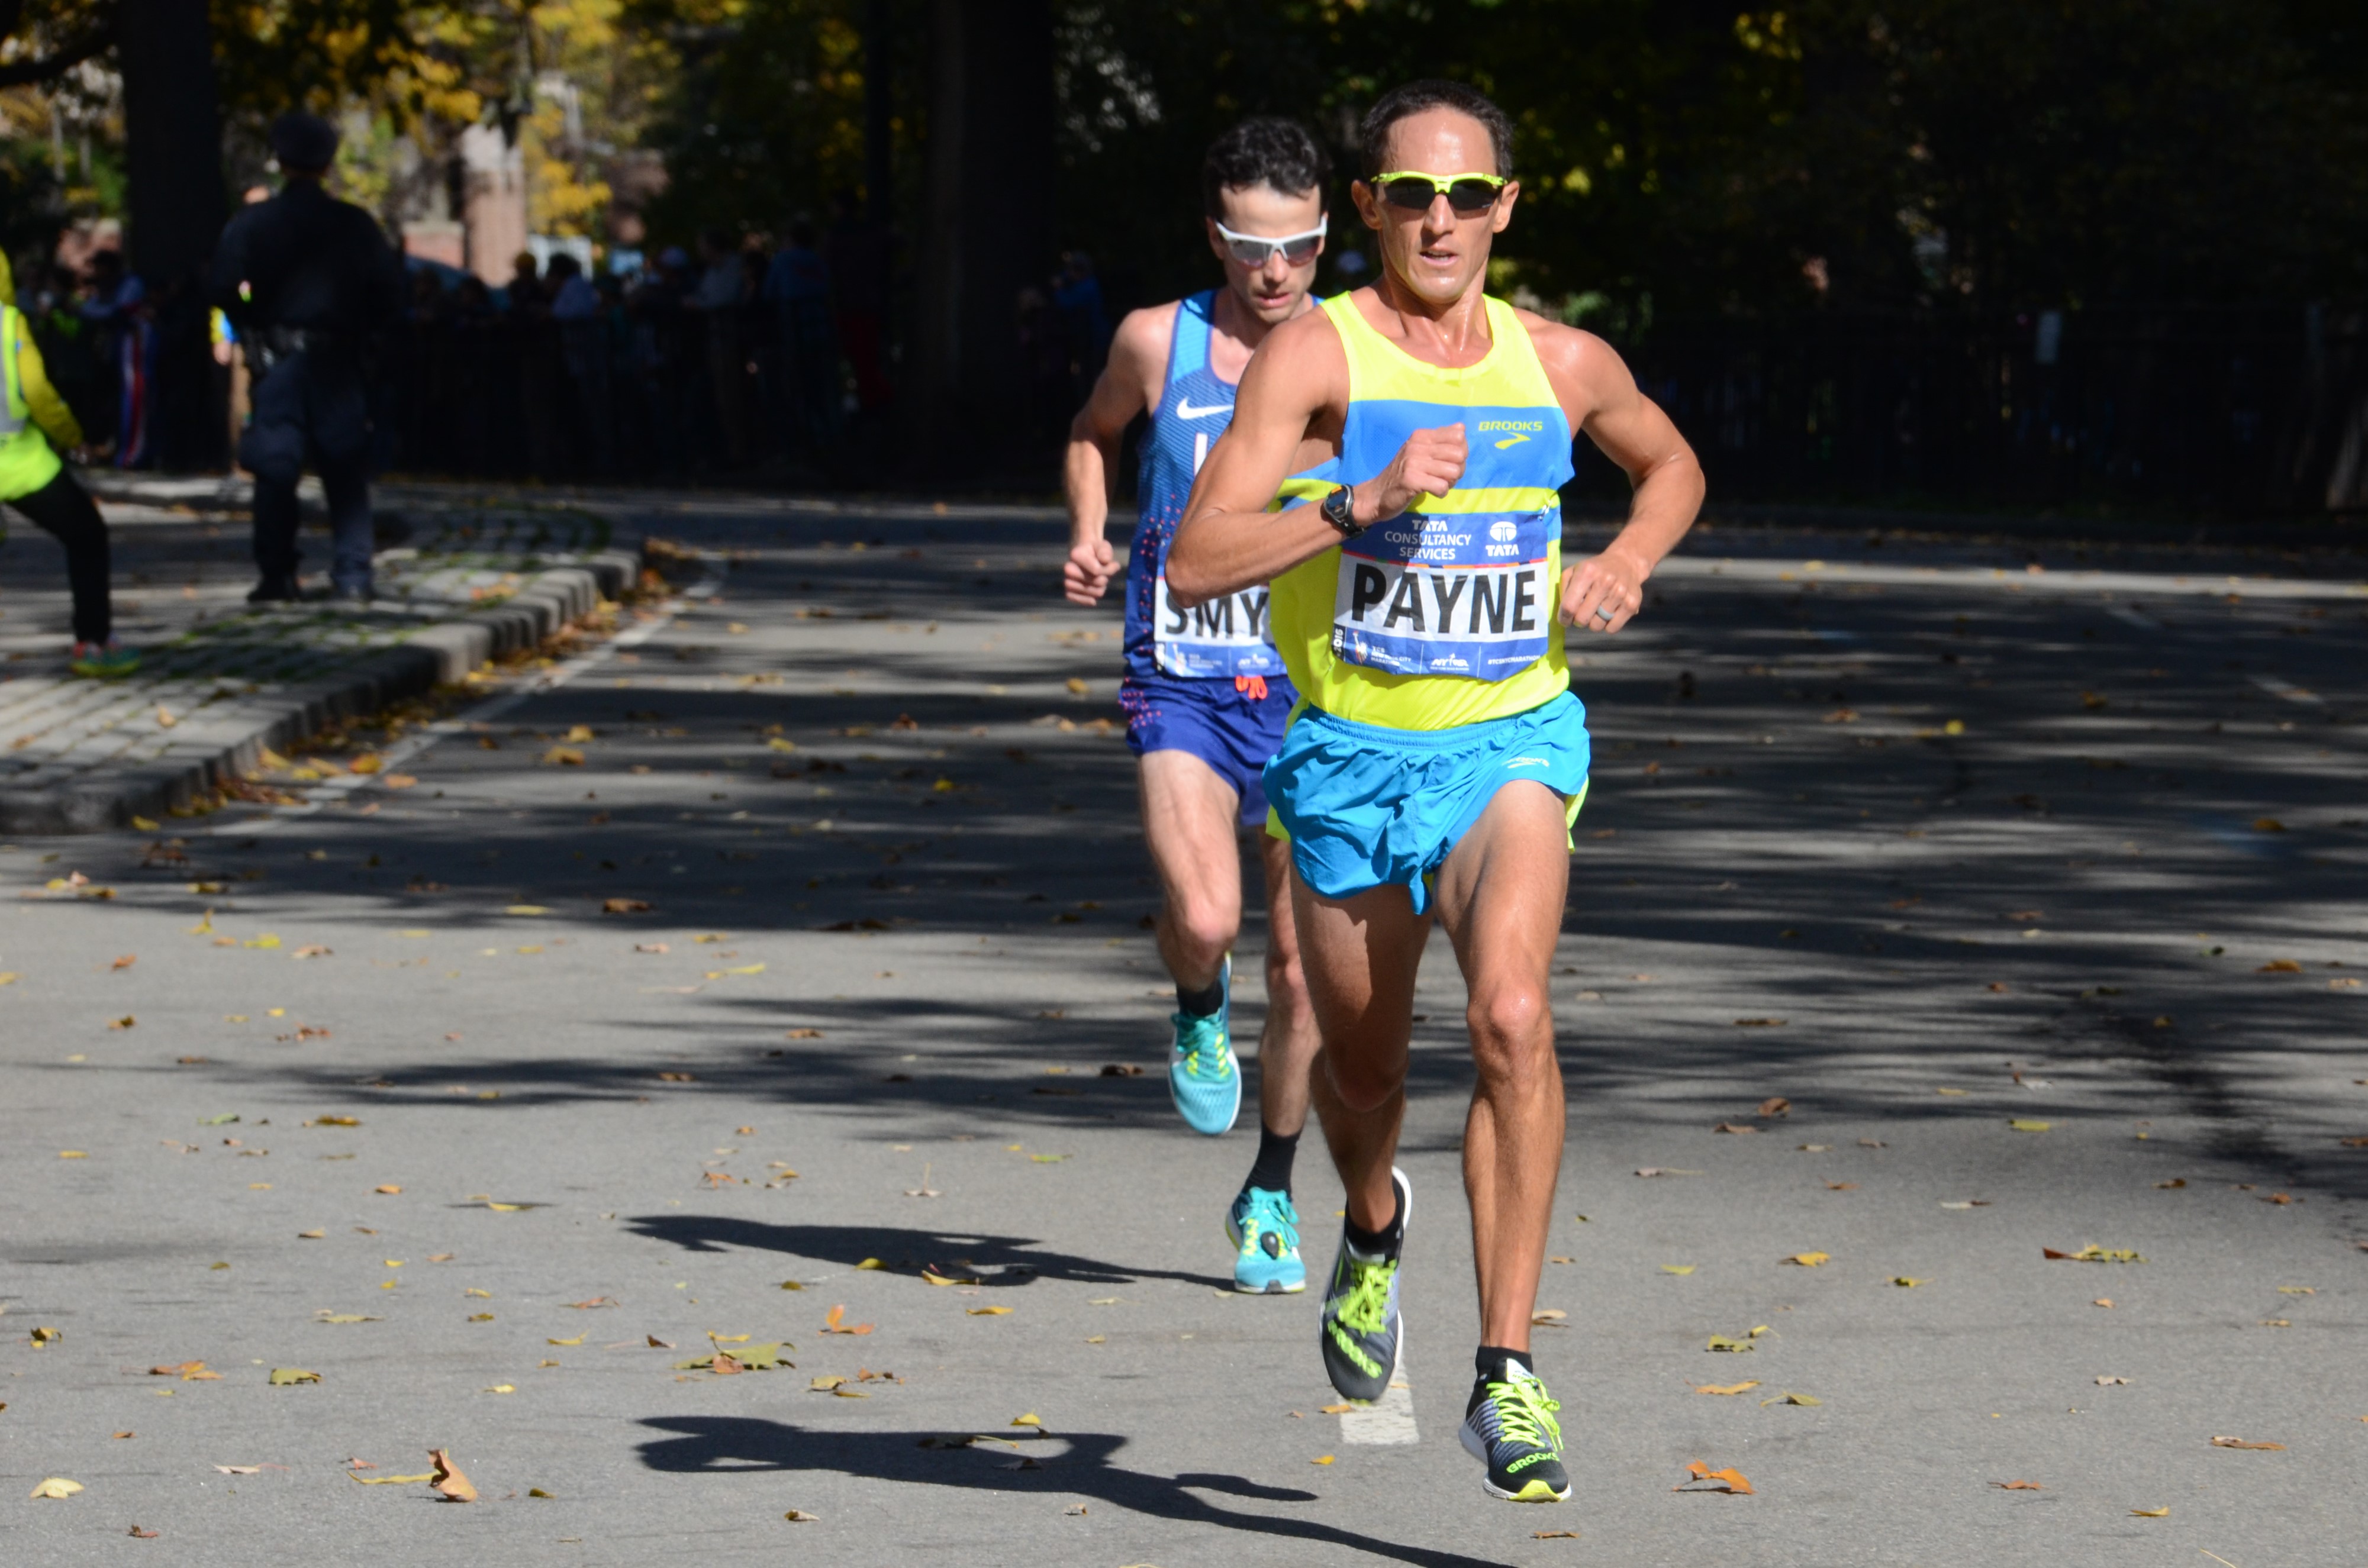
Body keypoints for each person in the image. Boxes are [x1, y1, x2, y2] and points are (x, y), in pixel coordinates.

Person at [1167, 80, 1704, 1502]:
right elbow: (1196, 558)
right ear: (1368, 208)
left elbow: (1672, 464)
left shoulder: (1562, 360)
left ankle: (1505, 1368)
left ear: (1505, 209)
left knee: (1513, 1014)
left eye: (1467, 195)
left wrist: (1628, 559)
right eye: (1411, 193)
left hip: (1508, 739)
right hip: (1348, 756)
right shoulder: (1313, 353)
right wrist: (1357, 499)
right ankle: (1369, 1221)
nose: (1440, 218)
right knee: (1364, 1073)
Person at [1063, 117, 1336, 1295]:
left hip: (1316, 687)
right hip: (1178, 670)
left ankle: (1268, 1186)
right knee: (1206, 913)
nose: (1273, 271)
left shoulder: (1356, 351)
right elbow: (1092, 434)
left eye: (1298, 246)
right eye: (1248, 246)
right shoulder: (1151, 340)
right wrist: (1090, 528)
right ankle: (1189, 997)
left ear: (1329, 235)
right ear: (1213, 236)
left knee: (1298, 966)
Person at [210, 112, 405, 603]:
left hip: (278, 359)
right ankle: (353, 574)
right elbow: (389, 292)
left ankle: (277, 575)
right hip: (338, 358)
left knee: (276, 469)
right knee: (344, 468)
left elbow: (221, 286)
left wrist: (253, 322)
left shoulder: (255, 223)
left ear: (281, 161)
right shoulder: (354, 224)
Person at [0, 250, 136, 676]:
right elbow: (38, 393)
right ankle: (94, 643)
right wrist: (72, 437)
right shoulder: (8, 323)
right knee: (87, 535)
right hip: (20, 460)